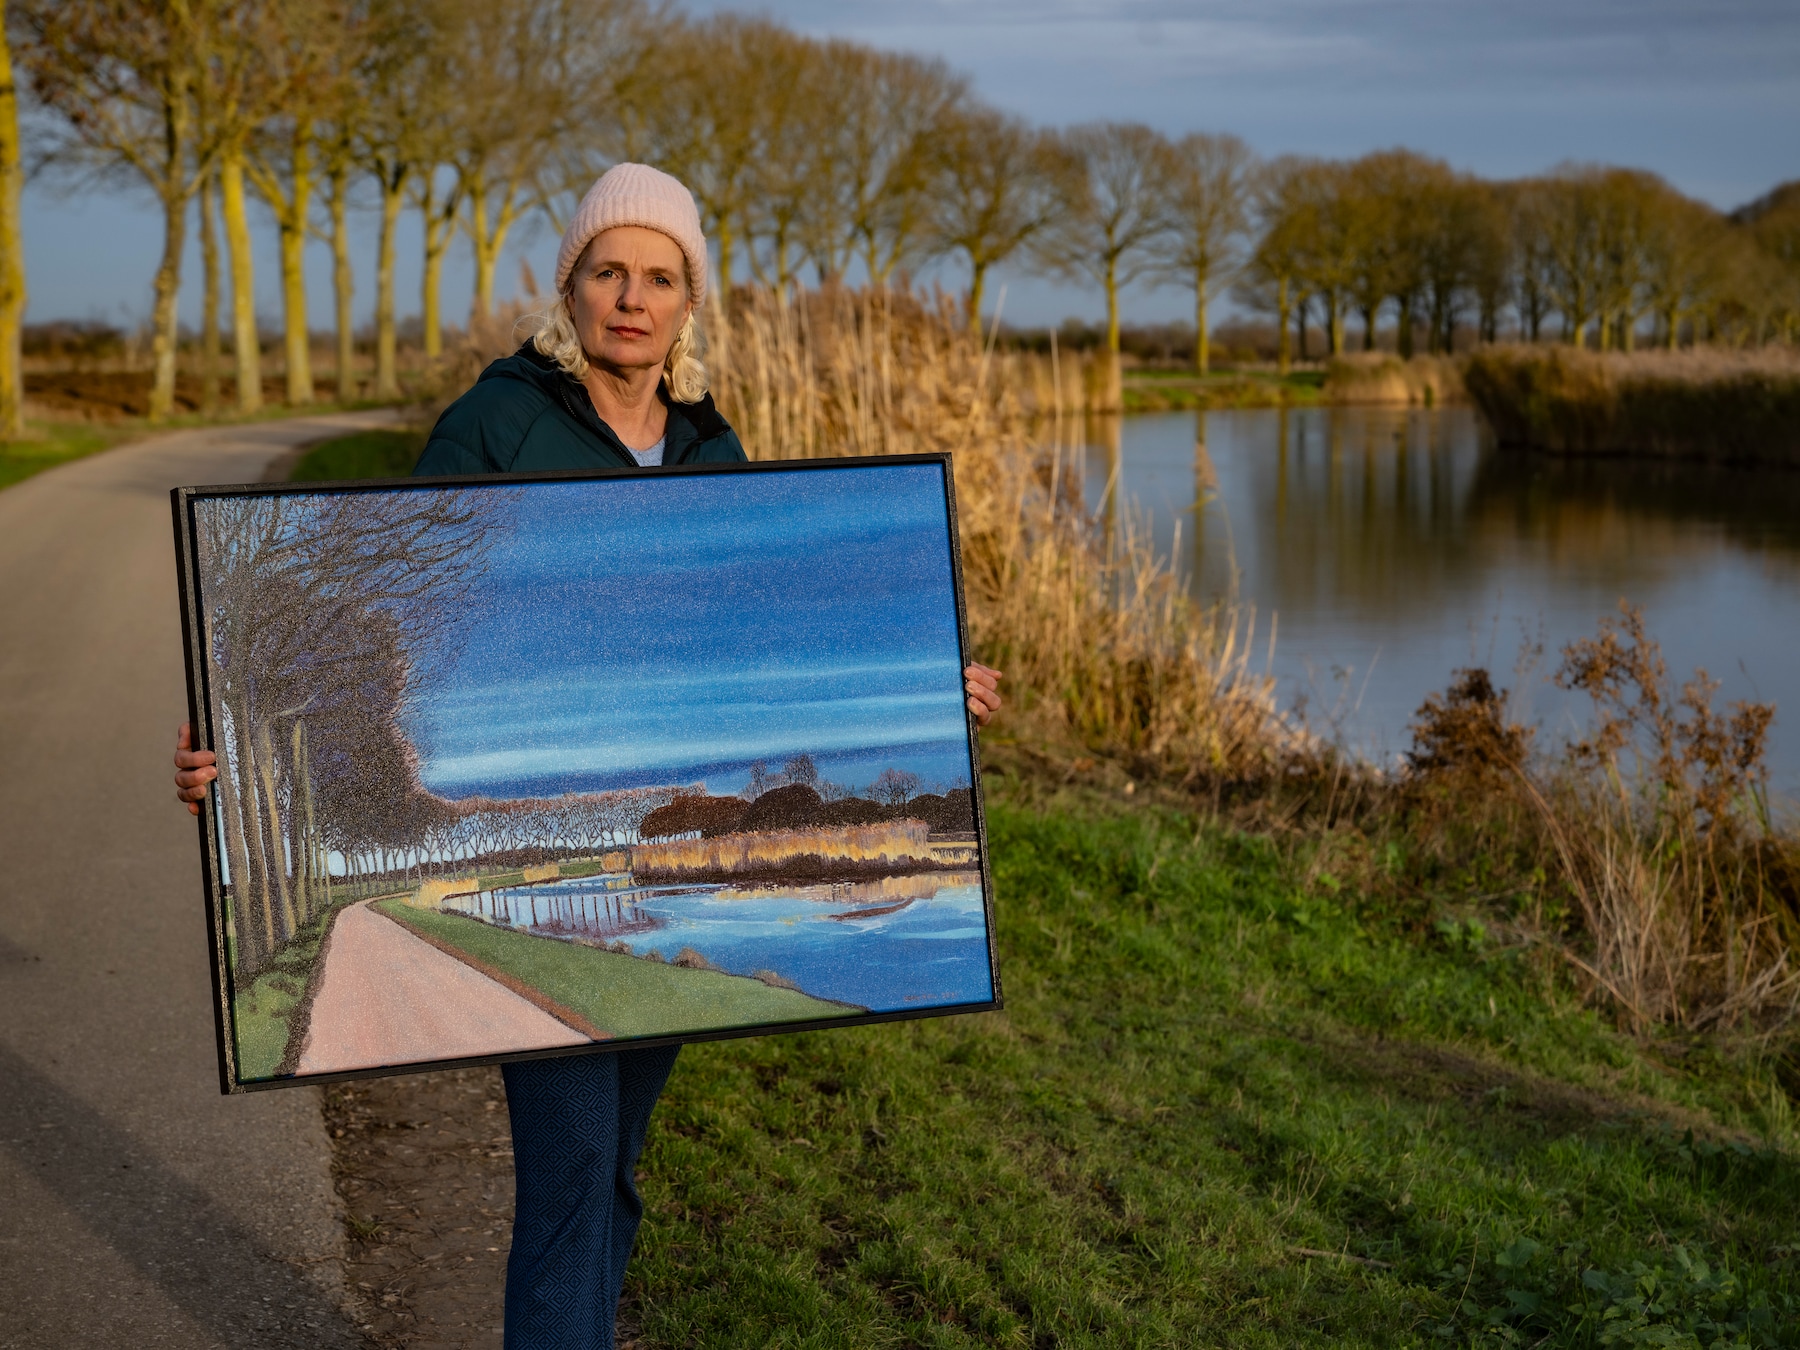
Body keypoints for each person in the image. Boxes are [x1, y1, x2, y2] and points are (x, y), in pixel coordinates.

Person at [173, 162, 1003, 1349]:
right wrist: (232, 752)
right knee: (569, 1181)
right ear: (570, 286)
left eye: (660, 276)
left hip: (668, 862)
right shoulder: (495, 423)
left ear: (687, 301)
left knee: (614, 1172)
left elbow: (742, 640)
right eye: (608, 270)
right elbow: (382, 603)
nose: (633, 298)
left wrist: (930, 676)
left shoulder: (715, 452)